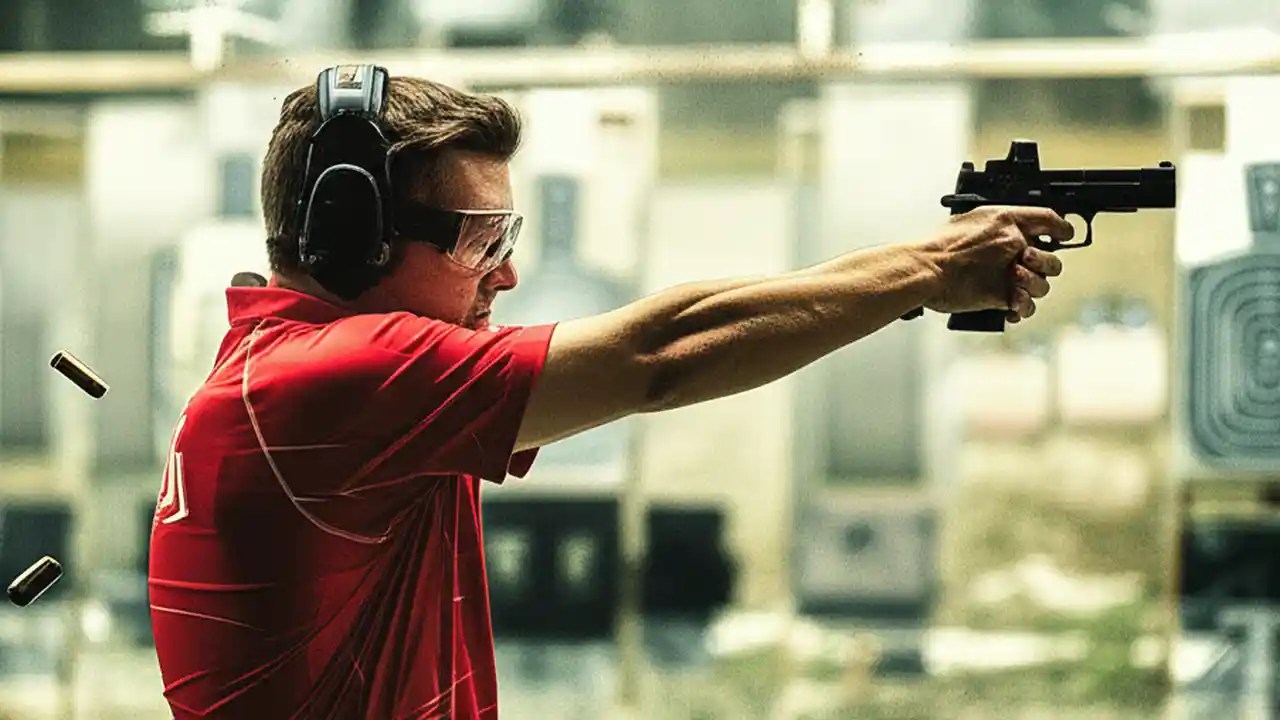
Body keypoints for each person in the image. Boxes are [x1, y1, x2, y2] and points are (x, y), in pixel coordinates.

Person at [147, 70, 1071, 720]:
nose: (505, 275)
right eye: (479, 239)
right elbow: (659, 354)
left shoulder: (289, 381)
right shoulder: (327, 381)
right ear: (352, 231)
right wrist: (929, 268)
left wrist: (913, 276)